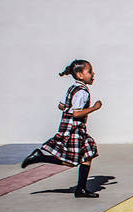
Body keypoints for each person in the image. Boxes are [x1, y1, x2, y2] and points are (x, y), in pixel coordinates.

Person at [22, 59, 102, 198]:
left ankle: (80, 189)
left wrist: (64, 107)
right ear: (79, 75)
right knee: (75, 160)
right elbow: (76, 113)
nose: (93, 73)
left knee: (88, 154)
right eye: (89, 71)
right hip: (74, 129)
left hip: (73, 128)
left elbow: (66, 107)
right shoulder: (82, 92)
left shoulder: (73, 88)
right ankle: (41, 157)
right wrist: (94, 108)